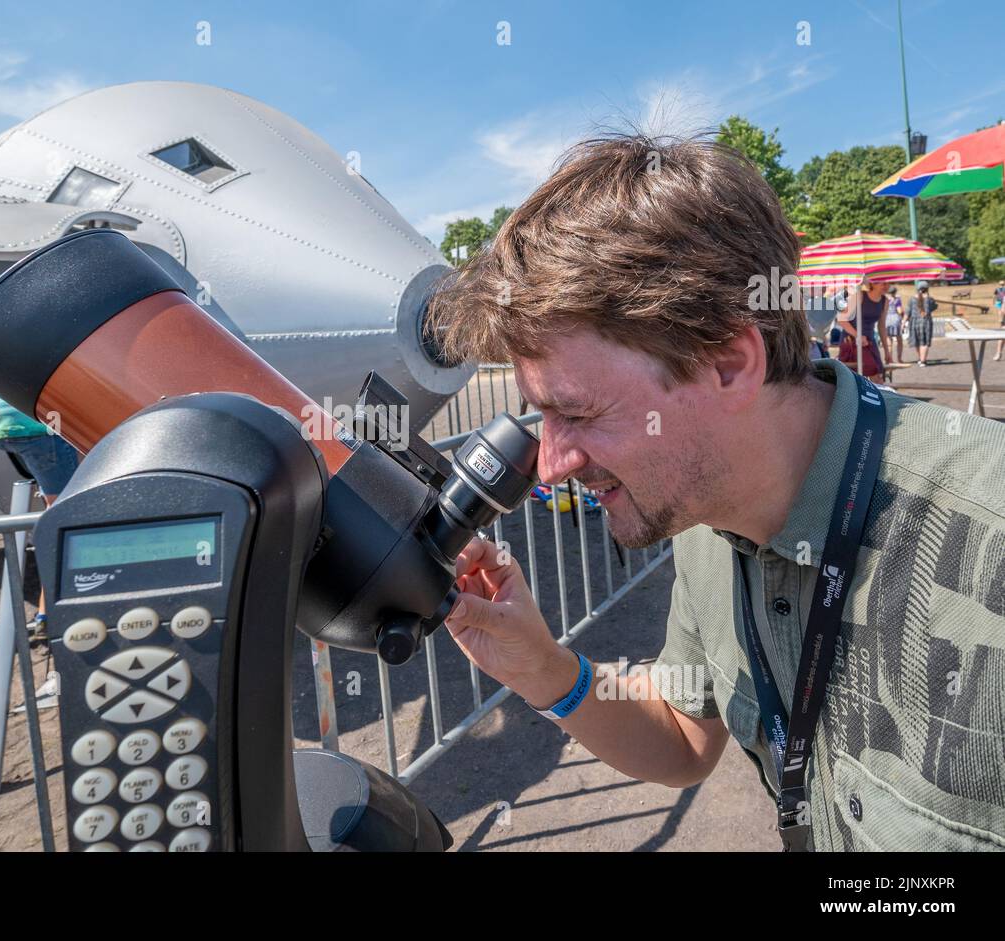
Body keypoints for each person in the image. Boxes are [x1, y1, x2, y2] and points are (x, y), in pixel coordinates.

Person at [426, 133, 1005, 851]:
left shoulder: (991, 525)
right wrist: (542, 667)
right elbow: (680, 738)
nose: (549, 466)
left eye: (575, 412)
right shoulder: (705, 517)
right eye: (539, 415)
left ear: (730, 362)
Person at [0, 380, 79, 643]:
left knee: (59, 509)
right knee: (64, 514)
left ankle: (47, 611)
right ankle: (49, 612)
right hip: (35, 425)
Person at [836, 276, 885, 378]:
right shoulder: (859, 296)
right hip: (851, 341)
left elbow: (882, 327)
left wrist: (887, 352)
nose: (887, 286)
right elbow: (841, 319)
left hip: (870, 342)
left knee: (877, 374)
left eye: (888, 283)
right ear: (873, 284)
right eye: (883, 283)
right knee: (866, 375)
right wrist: (857, 335)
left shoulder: (885, 301)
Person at [907, 280, 938, 367]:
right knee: (924, 342)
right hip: (926, 322)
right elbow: (934, 306)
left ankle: (921, 358)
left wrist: (903, 322)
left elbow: (908, 311)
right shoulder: (929, 299)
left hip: (914, 322)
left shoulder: (912, 299)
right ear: (927, 289)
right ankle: (923, 361)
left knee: (917, 341)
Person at [882, 285, 905, 364]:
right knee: (899, 341)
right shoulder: (897, 300)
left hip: (886, 320)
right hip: (895, 320)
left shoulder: (885, 299)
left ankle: (890, 359)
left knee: (889, 342)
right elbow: (899, 311)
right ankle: (899, 358)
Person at [993, 280, 1004, 362]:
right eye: (1001, 284)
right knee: (1002, 335)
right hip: (1004, 317)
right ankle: (998, 353)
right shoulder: (998, 290)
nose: (1002, 285)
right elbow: (1002, 309)